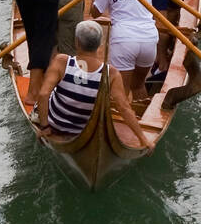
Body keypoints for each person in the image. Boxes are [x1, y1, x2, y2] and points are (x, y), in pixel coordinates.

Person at [34, 20, 150, 148]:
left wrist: (44, 127)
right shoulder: (111, 73)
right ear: (100, 44)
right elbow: (123, 108)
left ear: (77, 42)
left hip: (54, 124)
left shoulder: (61, 61)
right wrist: (143, 139)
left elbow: (44, 94)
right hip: (83, 131)